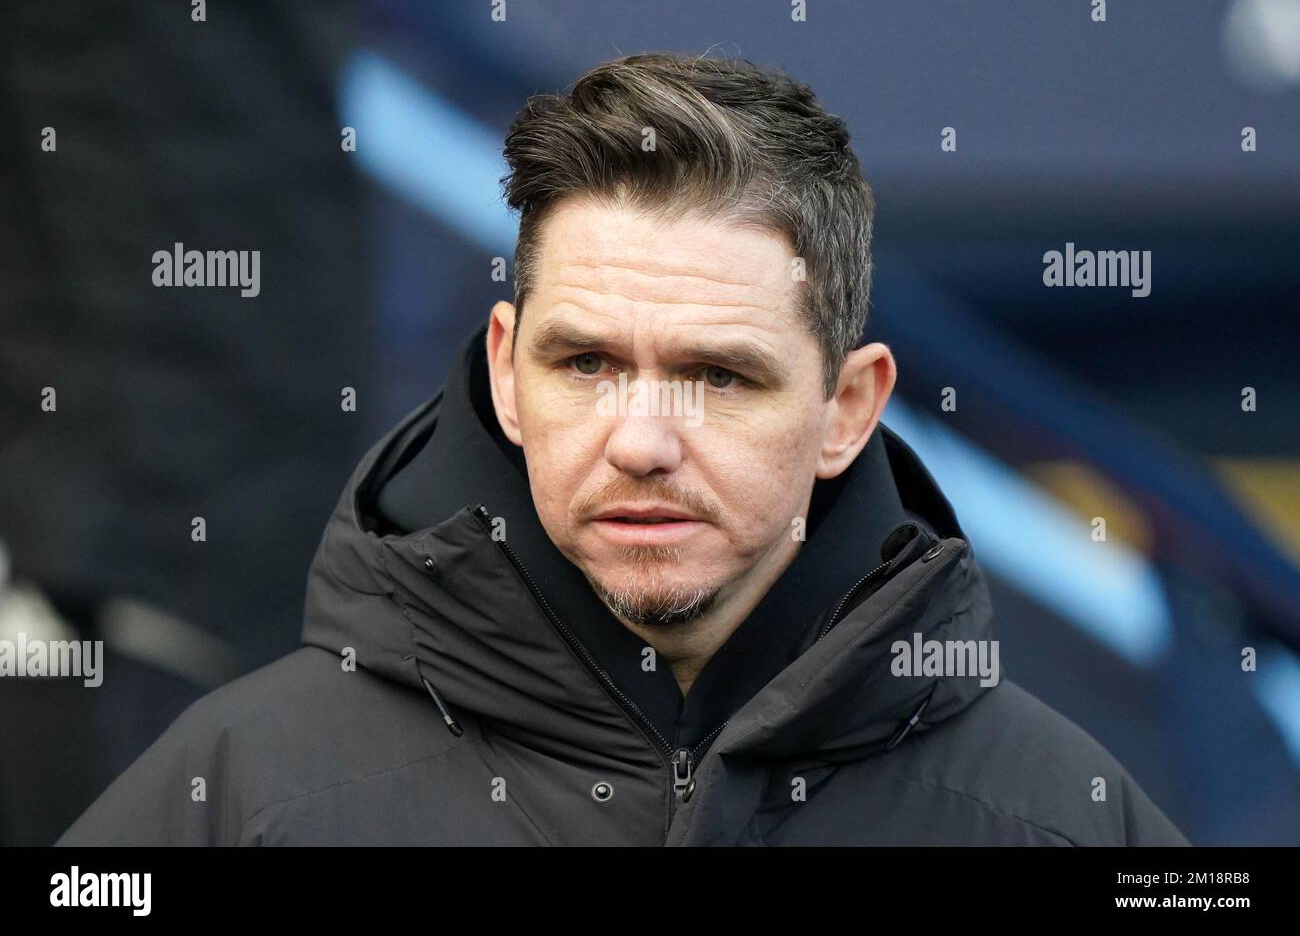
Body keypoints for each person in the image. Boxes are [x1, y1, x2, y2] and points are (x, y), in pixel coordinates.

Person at [57, 52, 1188, 846]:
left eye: (719, 375)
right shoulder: (240, 788)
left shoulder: (1061, 816)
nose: (642, 442)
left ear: (849, 407)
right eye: (585, 364)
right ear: (504, 370)